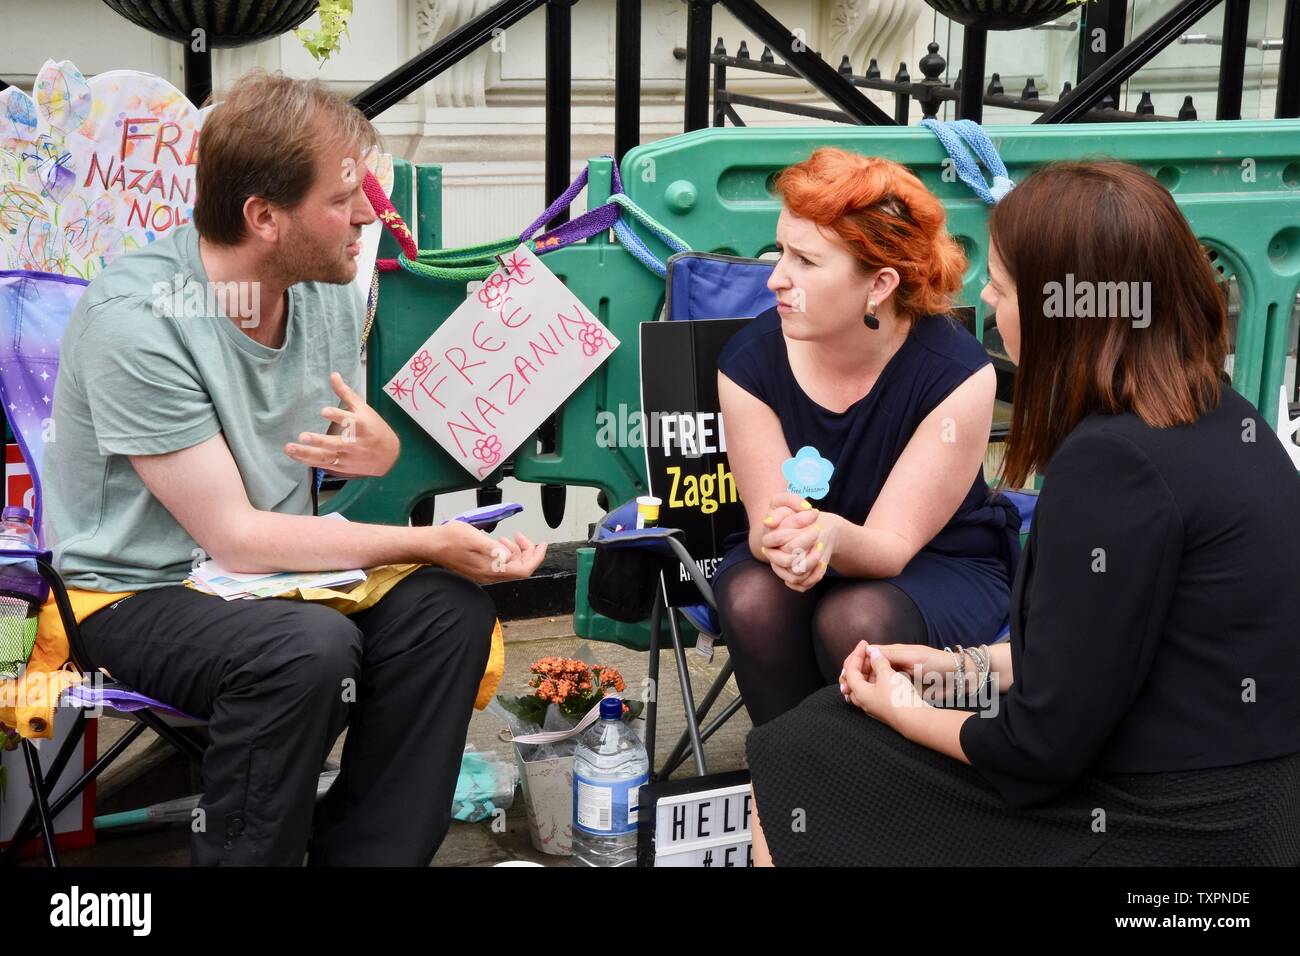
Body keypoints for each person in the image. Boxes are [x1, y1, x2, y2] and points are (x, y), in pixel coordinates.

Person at [45, 72, 546, 866]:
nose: (369, 215)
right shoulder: (137, 323)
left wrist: (379, 453)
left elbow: (311, 482)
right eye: (343, 198)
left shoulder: (325, 292)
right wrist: (427, 542)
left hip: (272, 584)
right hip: (134, 588)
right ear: (264, 218)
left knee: (446, 616)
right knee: (307, 650)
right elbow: (237, 538)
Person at [745, 160, 1300, 866]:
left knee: (798, 756)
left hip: (1174, 831)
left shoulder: (1112, 464)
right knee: (821, 732)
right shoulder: (1220, 414)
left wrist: (901, 706)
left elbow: (1038, 748)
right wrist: (960, 669)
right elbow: (1103, 660)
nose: (984, 295)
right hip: (1252, 808)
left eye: (1002, 286)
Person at [713, 147, 1018, 727]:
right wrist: (783, 541)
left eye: (805, 261)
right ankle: (792, 770)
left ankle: (871, 774)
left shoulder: (956, 373)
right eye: (780, 251)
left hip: (935, 559)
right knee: (754, 599)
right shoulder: (750, 362)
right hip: (811, 555)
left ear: (879, 284)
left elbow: (891, 546)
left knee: (856, 619)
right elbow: (763, 525)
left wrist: (826, 535)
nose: (776, 278)